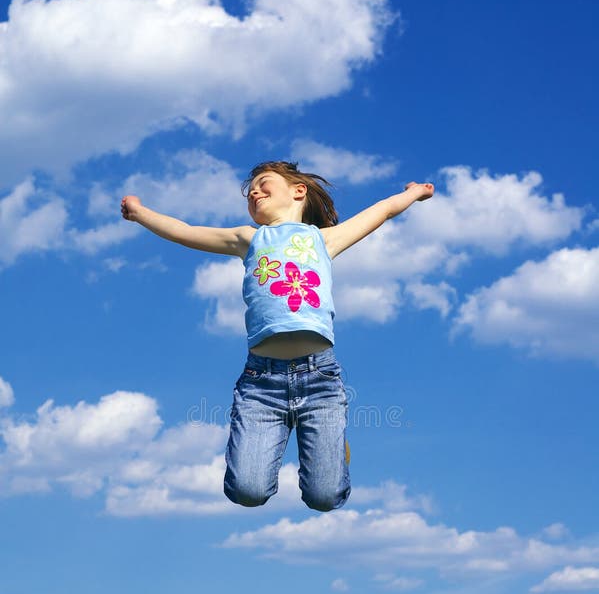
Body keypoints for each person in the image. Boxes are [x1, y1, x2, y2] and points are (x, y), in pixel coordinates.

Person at [121, 161, 434, 511]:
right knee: (247, 492)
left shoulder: (324, 238)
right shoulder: (248, 238)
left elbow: (382, 211)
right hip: (261, 384)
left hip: (320, 380)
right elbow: (185, 231)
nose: (253, 192)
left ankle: (335, 455)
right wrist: (140, 213)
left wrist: (412, 194)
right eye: (249, 192)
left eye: (262, 184)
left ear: (298, 191)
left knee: (325, 497)